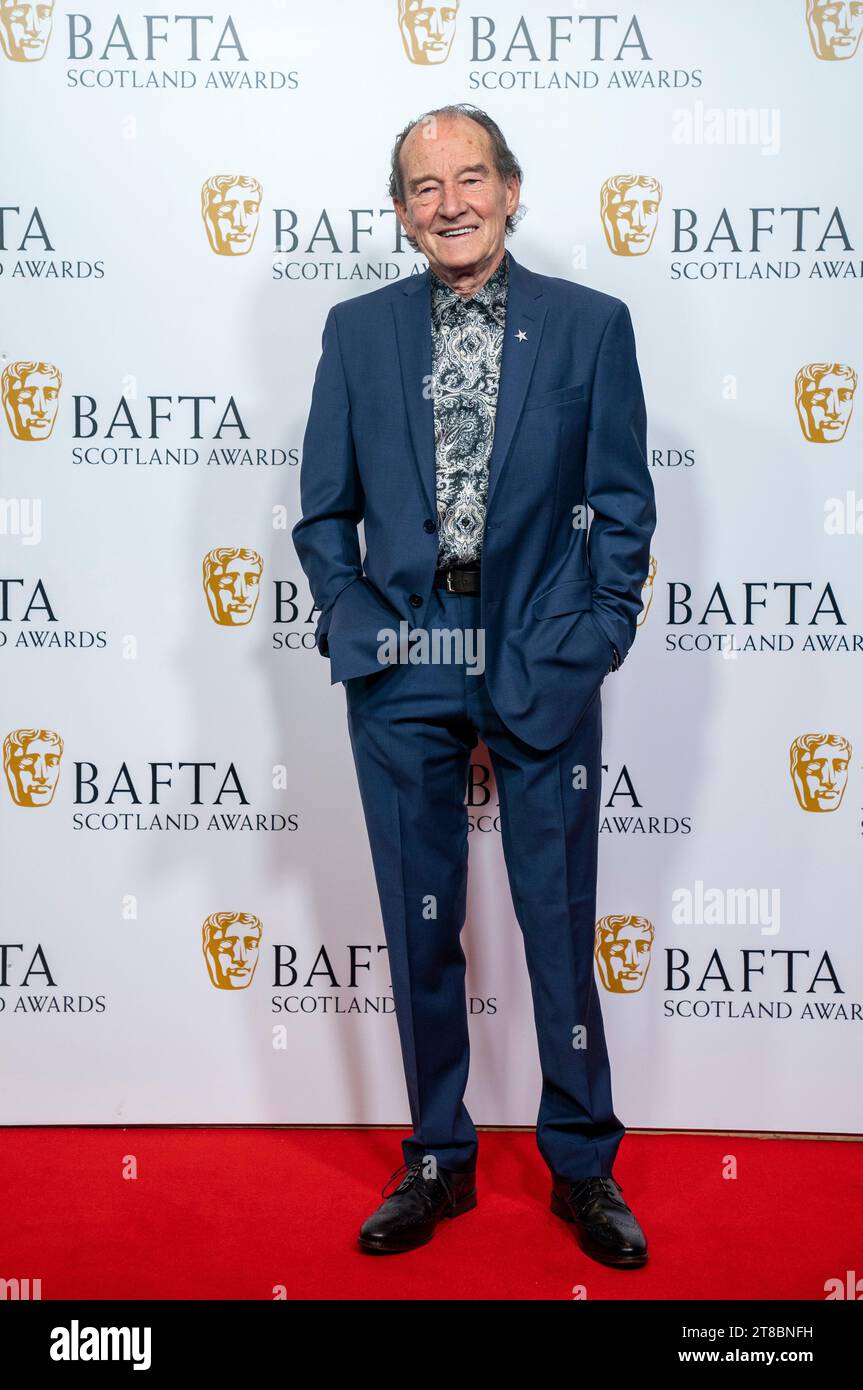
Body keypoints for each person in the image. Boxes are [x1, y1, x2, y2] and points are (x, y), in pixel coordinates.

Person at [292, 103, 656, 1268]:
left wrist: (591, 634)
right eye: (422, 185)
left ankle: (583, 1168)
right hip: (404, 658)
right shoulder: (354, 332)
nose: (448, 201)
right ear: (399, 212)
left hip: (537, 652)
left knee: (556, 925)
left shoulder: (590, 326)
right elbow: (321, 515)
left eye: (469, 177)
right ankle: (438, 1161)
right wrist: (359, 624)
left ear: (510, 188)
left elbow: (621, 510)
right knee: (419, 927)